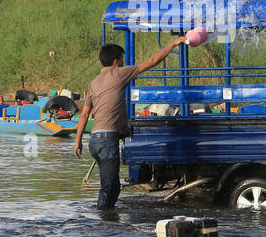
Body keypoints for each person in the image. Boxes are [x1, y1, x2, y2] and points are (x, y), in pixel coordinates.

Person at [74, 37, 187, 210]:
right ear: (115, 61)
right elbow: (151, 61)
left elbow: (83, 115)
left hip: (95, 141)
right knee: (111, 187)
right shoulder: (119, 74)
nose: (123, 62)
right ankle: (103, 223)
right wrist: (172, 44)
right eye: (121, 59)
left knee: (110, 186)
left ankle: (107, 219)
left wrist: (77, 141)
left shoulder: (93, 83)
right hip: (107, 140)